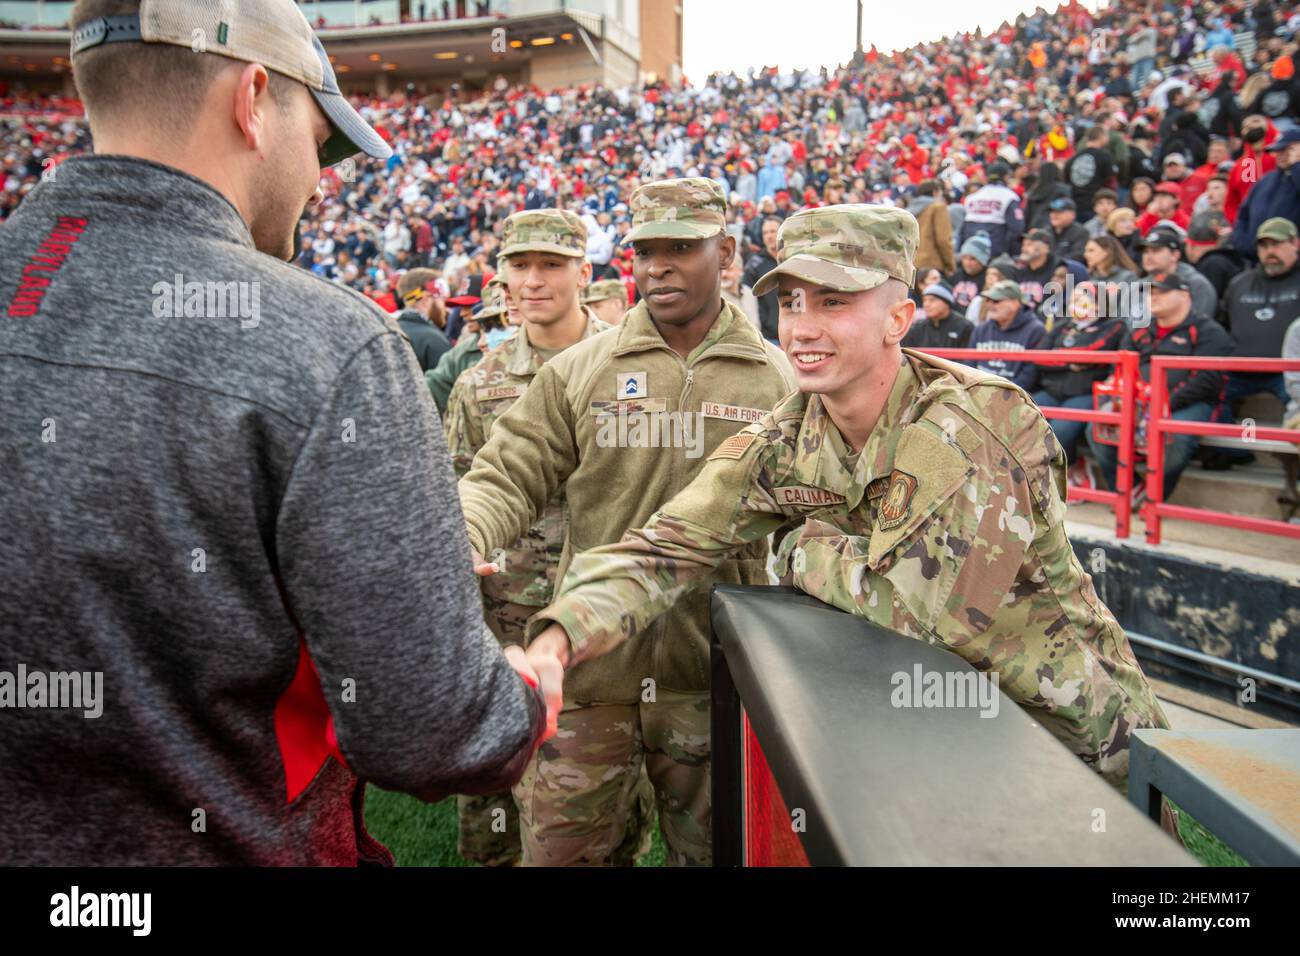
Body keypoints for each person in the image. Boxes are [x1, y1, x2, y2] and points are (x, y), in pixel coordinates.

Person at [0, 0, 554, 865]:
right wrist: (524, 695)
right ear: (253, 97)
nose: (323, 179)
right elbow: (434, 731)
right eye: (323, 140)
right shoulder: (329, 346)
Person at [522, 203, 1172, 798]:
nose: (802, 328)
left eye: (833, 302)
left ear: (897, 318)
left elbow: (928, 617)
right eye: (793, 302)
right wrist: (559, 635)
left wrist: (801, 549)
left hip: (1072, 744)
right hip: (943, 740)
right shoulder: (790, 431)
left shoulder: (973, 422)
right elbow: (667, 543)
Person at [457, 179, 795, 867]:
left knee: (718, 857)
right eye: (646, 250)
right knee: (562, 855)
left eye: (681, 248)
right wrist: (460, 537)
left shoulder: (776, 380)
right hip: (587, 669)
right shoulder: (584, 371)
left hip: (714, 678)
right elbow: (504, 474)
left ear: (725, 253)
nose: (659, 265)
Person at [443, 210, 650, 867]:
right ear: (502, 276)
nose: (533, 280)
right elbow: (459, 495)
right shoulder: (481, 383)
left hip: (601, 623)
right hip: (508, 623)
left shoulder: (632, 368)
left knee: (600, 812)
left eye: (551, 265)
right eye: (520, 266)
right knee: (494, 808)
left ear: (584, 275)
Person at [1087, 271, 1233, 498]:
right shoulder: (1141, 330)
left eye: (1162, 292)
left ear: (1185, 296)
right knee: (1098, 426)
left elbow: (1207, 380)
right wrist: (1125, 399)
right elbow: (1121, 369)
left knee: (1174, 437)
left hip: (1187, 403)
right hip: (1140, 402)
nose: (1153, 297)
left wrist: (1162, 403)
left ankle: (1155, 497)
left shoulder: (1208, 331)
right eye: (1150, 292)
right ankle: (1132, 489)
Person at [1031, 282, 1126, 467]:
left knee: (1059, 431)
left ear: (1099, 304)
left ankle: (1073, 467)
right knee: (1021, 417)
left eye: (1079, 298)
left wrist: (1058, 357)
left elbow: (1092, 352)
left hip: (1085, 392)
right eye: (1072, 298)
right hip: (1052, 390)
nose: (1073, 302)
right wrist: (1069, 363)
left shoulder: (1115, 326)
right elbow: (1039, 357)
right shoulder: (1062, 326)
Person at [1219, 218, 1300, 408]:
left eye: (1276, 244)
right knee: (1206, 395)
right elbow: (1224, 322)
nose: (1270, 251)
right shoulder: (1239, 283)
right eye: (1264, 246)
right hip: (1239, 371)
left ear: (1295, 243)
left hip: (1289, 373)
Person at [425, 276, 509, 415]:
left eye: (470, 306)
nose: (463, 313)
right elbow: (434, 384)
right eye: (461, 307)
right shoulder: (462, 351)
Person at [1231, 128, 1300, 257]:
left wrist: (1297, 165)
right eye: (1277, 151)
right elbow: (1243, 214)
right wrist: (1243, 243)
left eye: (1286, 150)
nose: (1279, 155)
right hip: (1258, 257)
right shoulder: (1267, 179)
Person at [967, 280, 1046, 390]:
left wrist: (1005, 393)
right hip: (979, 391)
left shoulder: (1035, 330)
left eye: (996, 301)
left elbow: (1029, 374)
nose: (990, 305)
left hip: (1015, 395)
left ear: (1015, 304)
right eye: (988, 300)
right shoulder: (981, 329)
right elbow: (969, 365)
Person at [1139, 228, 1219, 322]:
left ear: (1175, 255)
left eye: (1156, 251)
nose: (1148, 257)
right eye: (1145, 252)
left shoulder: (1195, 284)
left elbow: (1200, 324)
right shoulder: (1139, 285)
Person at [958, 161, 1025, 257]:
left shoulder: (971, 197)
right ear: (1006, 177)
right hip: (995, 251)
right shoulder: (1010, 197)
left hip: (969, 251)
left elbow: (962, 229)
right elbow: (1018, 227)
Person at [395, 267, 452, 372]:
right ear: (426, 298)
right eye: (442, 300)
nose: (445, 308)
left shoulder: (390, 329)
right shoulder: (433, 339)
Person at [743, 214, 782, 342]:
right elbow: (747, 297)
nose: (769, 236)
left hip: (797, 331)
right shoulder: (754, 264)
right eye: (765, 233)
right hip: (769, 337)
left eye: (773, 231)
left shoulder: (795, 259)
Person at [901, 282, 972, 349]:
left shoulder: (964, 327)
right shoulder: (917, 328)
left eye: (932, 300)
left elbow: (968, 358)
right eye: (924, 300)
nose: (926, 304)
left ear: (946, 303)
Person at [910, 179, 955, 275]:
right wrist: (950, 265)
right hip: (931, 264)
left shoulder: (908, 210)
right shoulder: (938, 207)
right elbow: (943, 240)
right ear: (935, 192)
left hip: (910, 265)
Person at [949, 234, 991, 311]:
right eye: (965, 258)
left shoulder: (987, 279)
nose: (968, 263)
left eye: (972, 259)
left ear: (982, 260)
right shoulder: (955, 275)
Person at [1046, 197, 1089, 262]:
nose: (1054, 215)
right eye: (1052, 211)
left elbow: (1077, 256)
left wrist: (1053, 264)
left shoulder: (1081, 232)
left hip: (1069, 270)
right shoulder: (1046, 231)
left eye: (1059, 211)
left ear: (1072, 214)